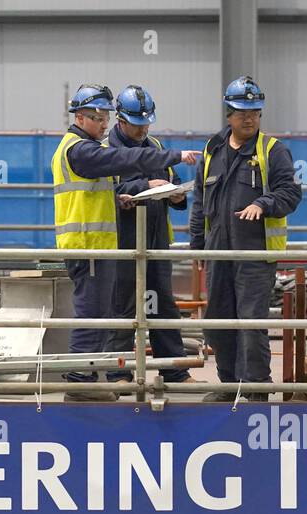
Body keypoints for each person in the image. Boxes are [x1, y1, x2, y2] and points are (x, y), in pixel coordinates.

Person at [51, 82, 201, 399]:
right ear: (80, 116)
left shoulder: (92, 148)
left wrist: (171, 191)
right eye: (98, 117)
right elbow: (125, 162)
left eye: (105, 117)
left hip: (115, 243)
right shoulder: (83, 150)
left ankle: (88, 380)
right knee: (102, 313)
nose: (103, 123)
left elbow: (123, 170)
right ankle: (86, 380)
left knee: (140, 309)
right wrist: (170, 159)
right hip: (97, 244)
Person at [188, 76, 302, 400]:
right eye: (242, 112)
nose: (249, 118)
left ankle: (255, 390)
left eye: (254, 112)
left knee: (251, 324)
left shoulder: (273, 151)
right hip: (218, 254)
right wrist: (198, 244)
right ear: (229, 114)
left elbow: (290, 194)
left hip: (255, 254)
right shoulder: (213, 150)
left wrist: (262, 203)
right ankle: (229, 386)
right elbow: (200, 201)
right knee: (219, 323)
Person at [103, 85, 192, 388]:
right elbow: (104, 194)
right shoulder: (105, 151)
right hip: (123, 241)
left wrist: (177, 196)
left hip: (155, 242)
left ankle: (175, 372)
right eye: (137, 124)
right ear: (120, 120)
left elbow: (174, 181)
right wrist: (142, 186)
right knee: (123, 306)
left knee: (163, 305)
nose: (142, 130)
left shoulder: (154, 145)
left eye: (146, 123)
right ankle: (119, 374)